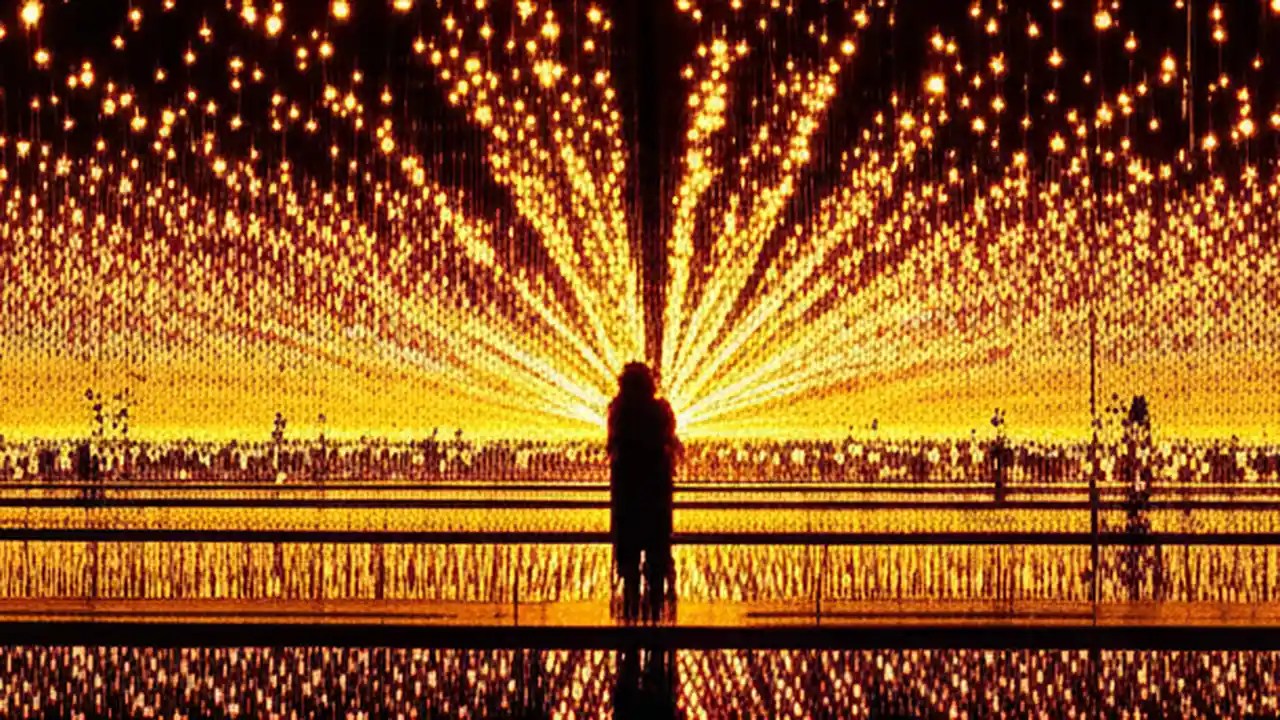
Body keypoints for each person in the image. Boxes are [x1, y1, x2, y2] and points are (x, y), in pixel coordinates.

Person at [607, 362, 681, 622]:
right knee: (657, 559)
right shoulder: (661, 410)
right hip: (655, 497)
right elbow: (671, 444)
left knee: (629, 564)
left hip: (628, 498)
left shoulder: (618, 411)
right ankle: (657, 616)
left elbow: (613, 448)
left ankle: (630, 615)